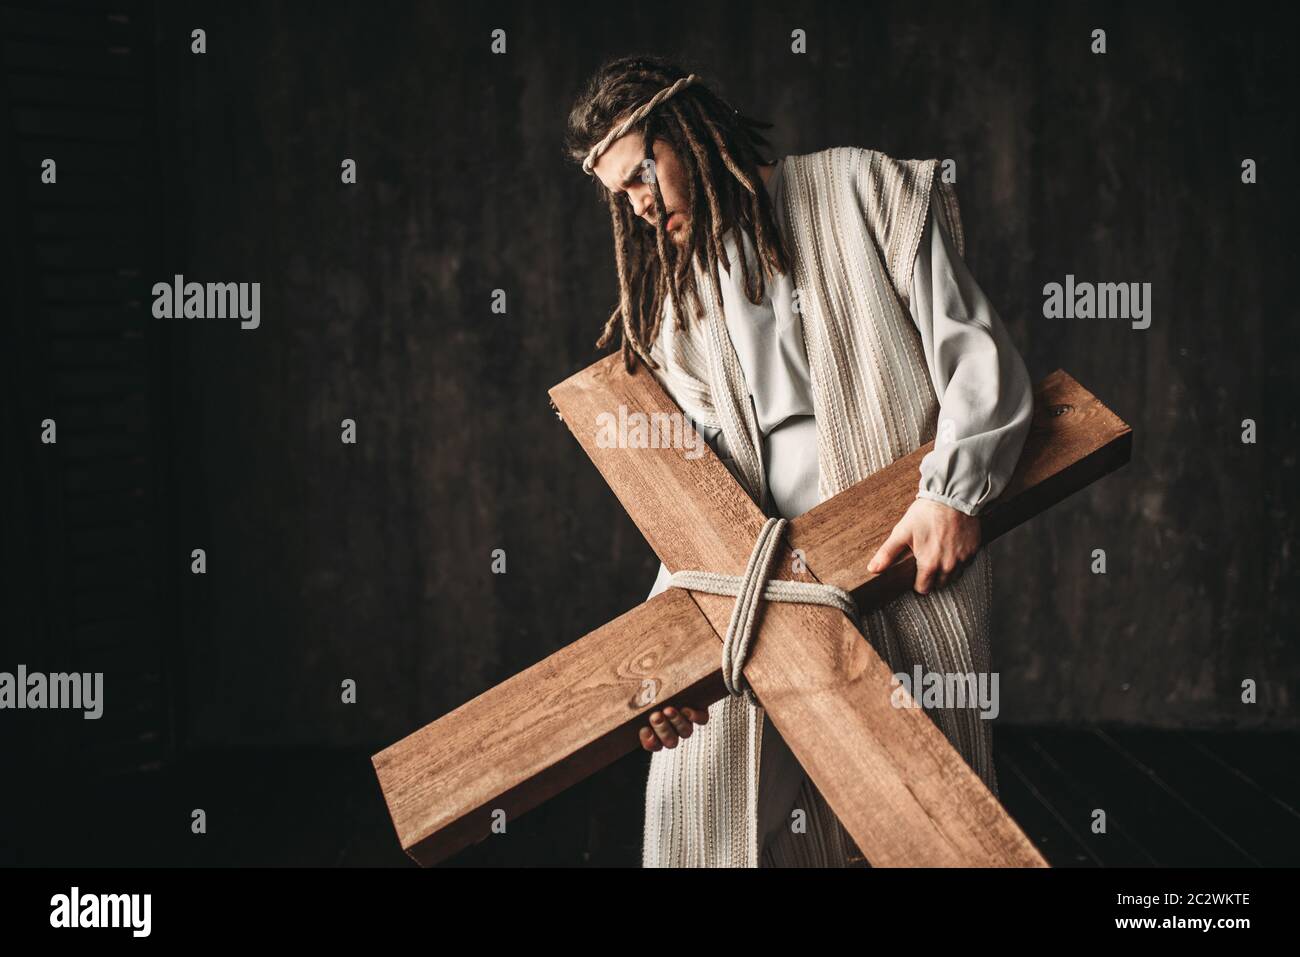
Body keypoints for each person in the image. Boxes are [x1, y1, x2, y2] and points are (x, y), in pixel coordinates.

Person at [564, 54, 1034, 867]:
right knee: (708, 809)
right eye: (620, 196)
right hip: (757, 586)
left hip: (897, 549)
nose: (639, 205)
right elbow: (699, 492)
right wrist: (671, 653)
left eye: (642, 171)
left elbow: (976, 355)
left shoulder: (861, 189)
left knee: (921, 818)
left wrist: (954, 491)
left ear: (689, 129)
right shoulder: (678, 299)